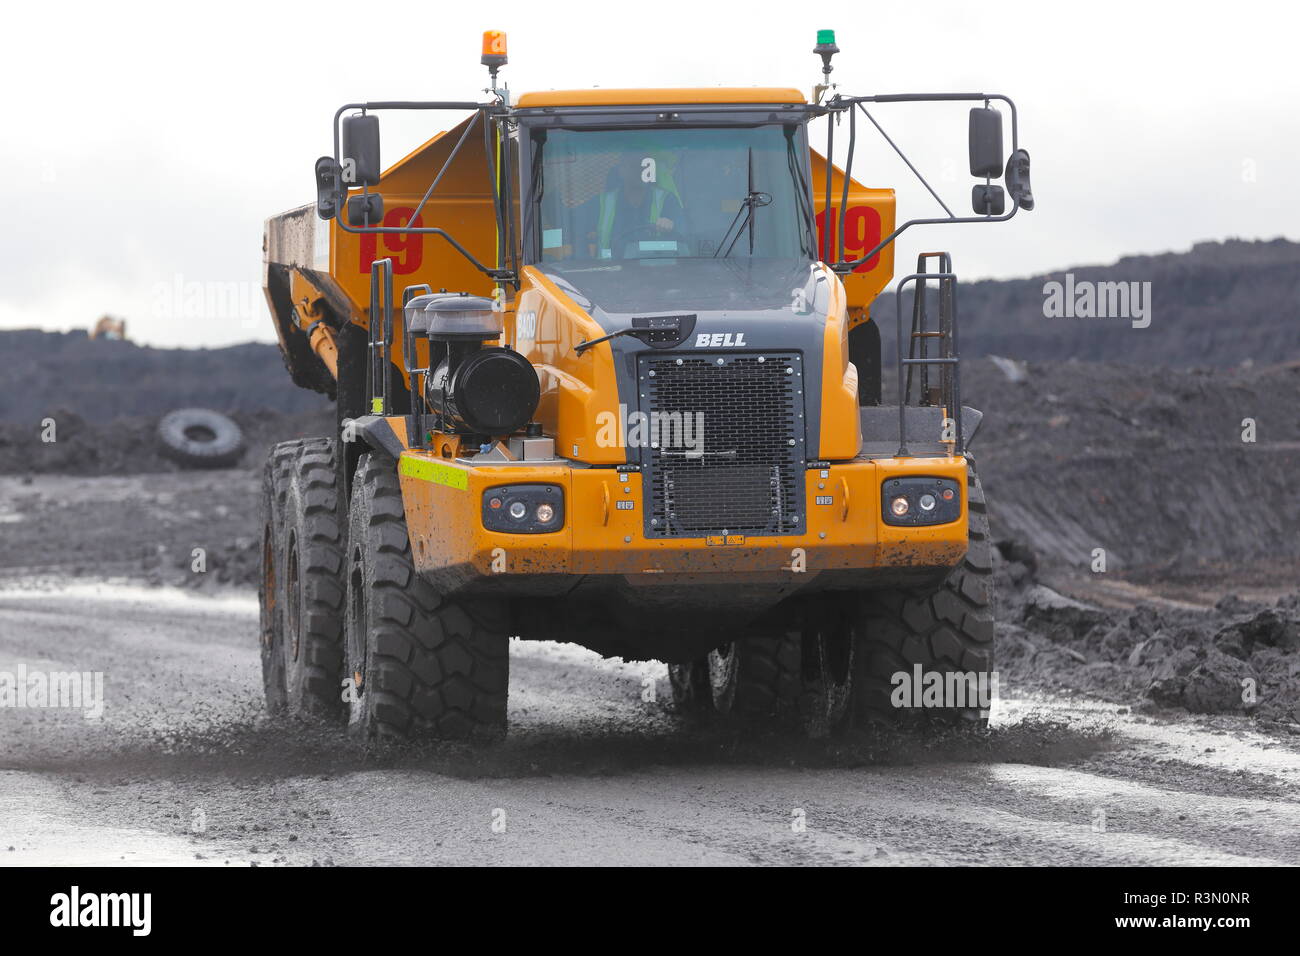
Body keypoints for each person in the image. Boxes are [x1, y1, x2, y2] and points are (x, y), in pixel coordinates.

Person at [591, 151, 684, 258]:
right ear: (621, 171)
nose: (641, 171)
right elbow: (575, 229)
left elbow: (684, 235)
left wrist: (671, 227)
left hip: (657, 268)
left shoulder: (667, 199)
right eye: (634, 166)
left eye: (646, 166)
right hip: (609, 269)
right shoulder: (601, 202)